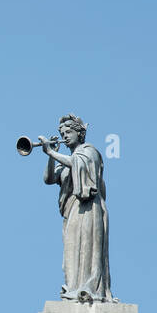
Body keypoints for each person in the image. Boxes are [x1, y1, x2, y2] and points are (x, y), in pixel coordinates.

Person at [40, 115, 115, 303]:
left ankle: (88, 289)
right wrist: (50, 156)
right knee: (72, 252)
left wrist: (52, 153)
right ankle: (73, 287)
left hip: (89, 208)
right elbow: (48, 179)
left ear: (80, 133)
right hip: (72, 211)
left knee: (87, 247)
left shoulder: (89, 152)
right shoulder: (64, 160)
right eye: (62, 133)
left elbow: (77, 163)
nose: (65, 136)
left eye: (69, 132)